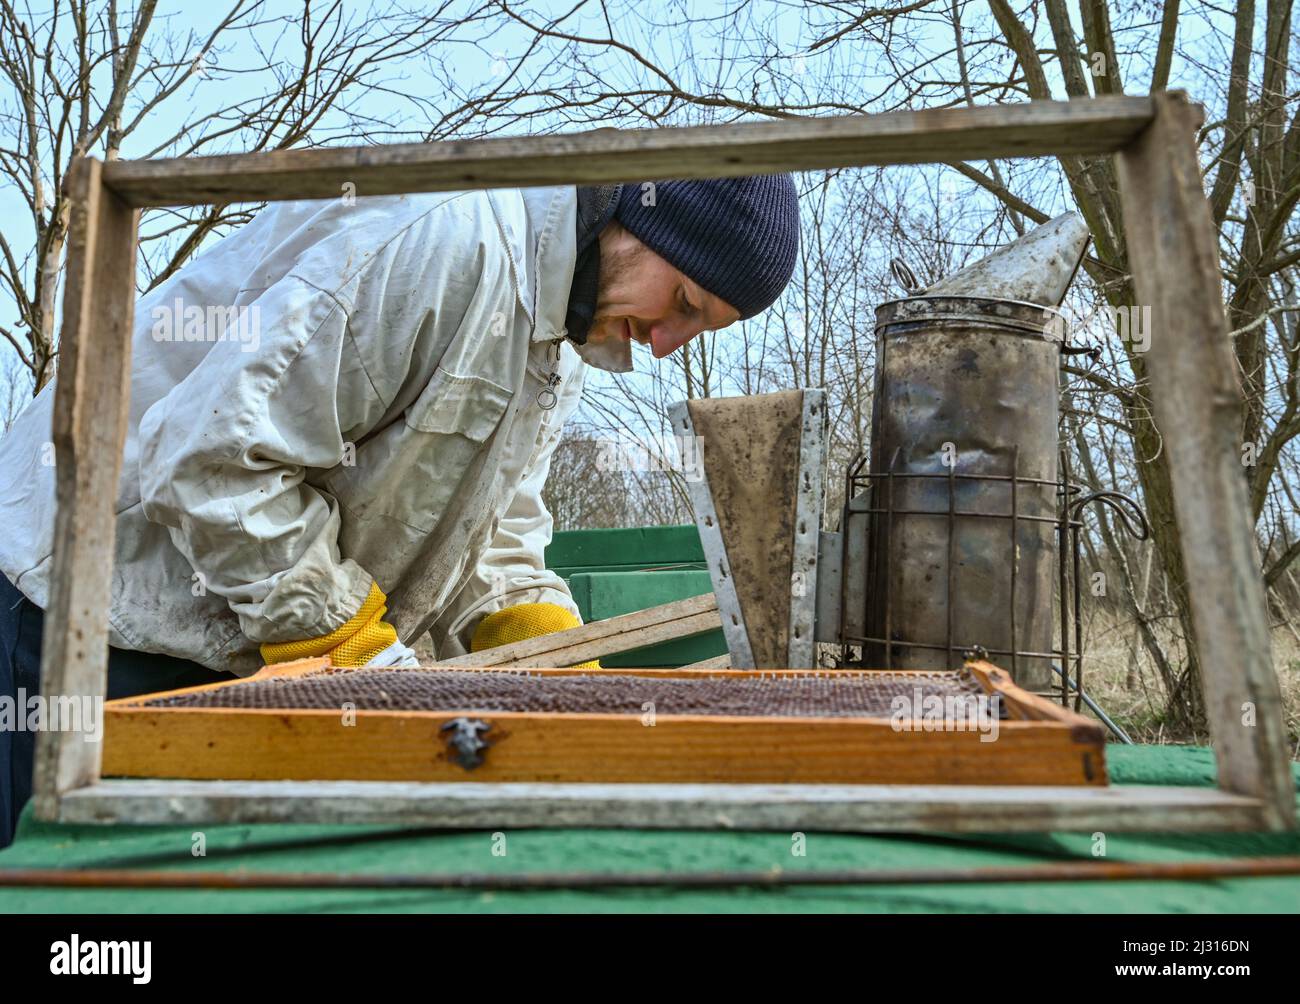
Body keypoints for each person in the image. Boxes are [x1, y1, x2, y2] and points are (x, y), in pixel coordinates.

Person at [0, 175, 801, 845]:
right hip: (89, 609)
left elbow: (492, 524)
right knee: (66, 894)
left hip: (226, 637)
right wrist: (349, 641)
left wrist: (550, 652)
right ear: (635, 224)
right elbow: (214, 463)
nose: (665, 344)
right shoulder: (443, 239)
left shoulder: (557, 336)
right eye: (685, 303)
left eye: (700, 332)